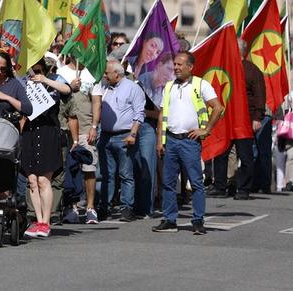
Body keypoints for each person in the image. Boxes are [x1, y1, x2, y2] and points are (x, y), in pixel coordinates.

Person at [153, 51, 224, 236]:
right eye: (174, 64)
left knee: (196, 183)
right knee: (168, 183)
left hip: (189, 142)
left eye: (179, 64)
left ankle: (198, 221)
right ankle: (170, 219)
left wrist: (206, 130)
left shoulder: (201, 85)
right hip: (171, 140)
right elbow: (162, 114)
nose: (175, 68)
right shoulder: (169, 87)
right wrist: (160, 140)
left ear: (190, 67)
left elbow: (218, 107)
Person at [20, 58, 71, 237]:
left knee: (44, 180)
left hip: (49, 130)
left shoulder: (55, 79)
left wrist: (45, 80)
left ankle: (46, 222)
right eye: (33, 70)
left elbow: (67, 89)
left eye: (39, 70)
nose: (35, 73)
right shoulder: (24, 81)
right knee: (32, 179)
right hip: (30, 131)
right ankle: (38, 219)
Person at [92, 58, 145, 223]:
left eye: (107, 73)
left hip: (124, 136)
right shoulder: (104, 87)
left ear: (117, 73)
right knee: (106, 174)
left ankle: (126, 207)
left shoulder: (132, 88)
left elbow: (139, 113)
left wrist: (133, 134)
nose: (105, 76)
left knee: (126, 174)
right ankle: (104, 206)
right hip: (106, 135)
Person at [211, 39, 264, 200]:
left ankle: (243, 189)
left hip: (244, 121)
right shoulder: (225, 68)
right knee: (220, 153)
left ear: (240, 51)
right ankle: (220, 187)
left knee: (246, 157)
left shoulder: (252, 70)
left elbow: (259, 95)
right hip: (226, 120)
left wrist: (257, 118)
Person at [58, 55, 99, 223]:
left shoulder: (93, 74)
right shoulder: (60, 73)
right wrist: (70, 87)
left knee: (89, 168)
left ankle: (90, 208)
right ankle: (72, 207)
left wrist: (94, 126)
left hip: (86, 129)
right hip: (65, 130)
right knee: (69, 170)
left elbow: (96, 102)